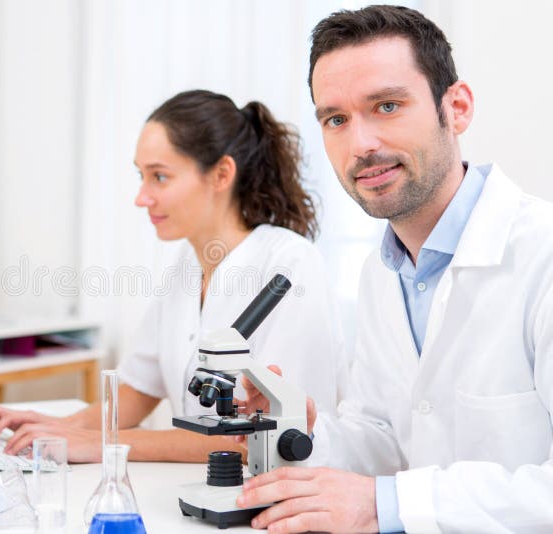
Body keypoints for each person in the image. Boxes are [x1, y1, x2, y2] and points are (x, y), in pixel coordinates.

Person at [234, 5, 553, 533]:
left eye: (386, 105)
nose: (360, 145)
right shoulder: (380, 272)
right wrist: (300, 427)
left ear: (457, 107)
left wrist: (384, 506)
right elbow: (386, 436)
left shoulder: (542, 254)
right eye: (335, 119)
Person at [0, 89, 344, 464]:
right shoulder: (187, 264)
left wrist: (103, 445)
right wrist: (53, 429)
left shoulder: (289, 264)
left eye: (160, 177)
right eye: (142, 176)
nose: (142, 197)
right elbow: (138, 390)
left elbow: (269, 432)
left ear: (221, 174)